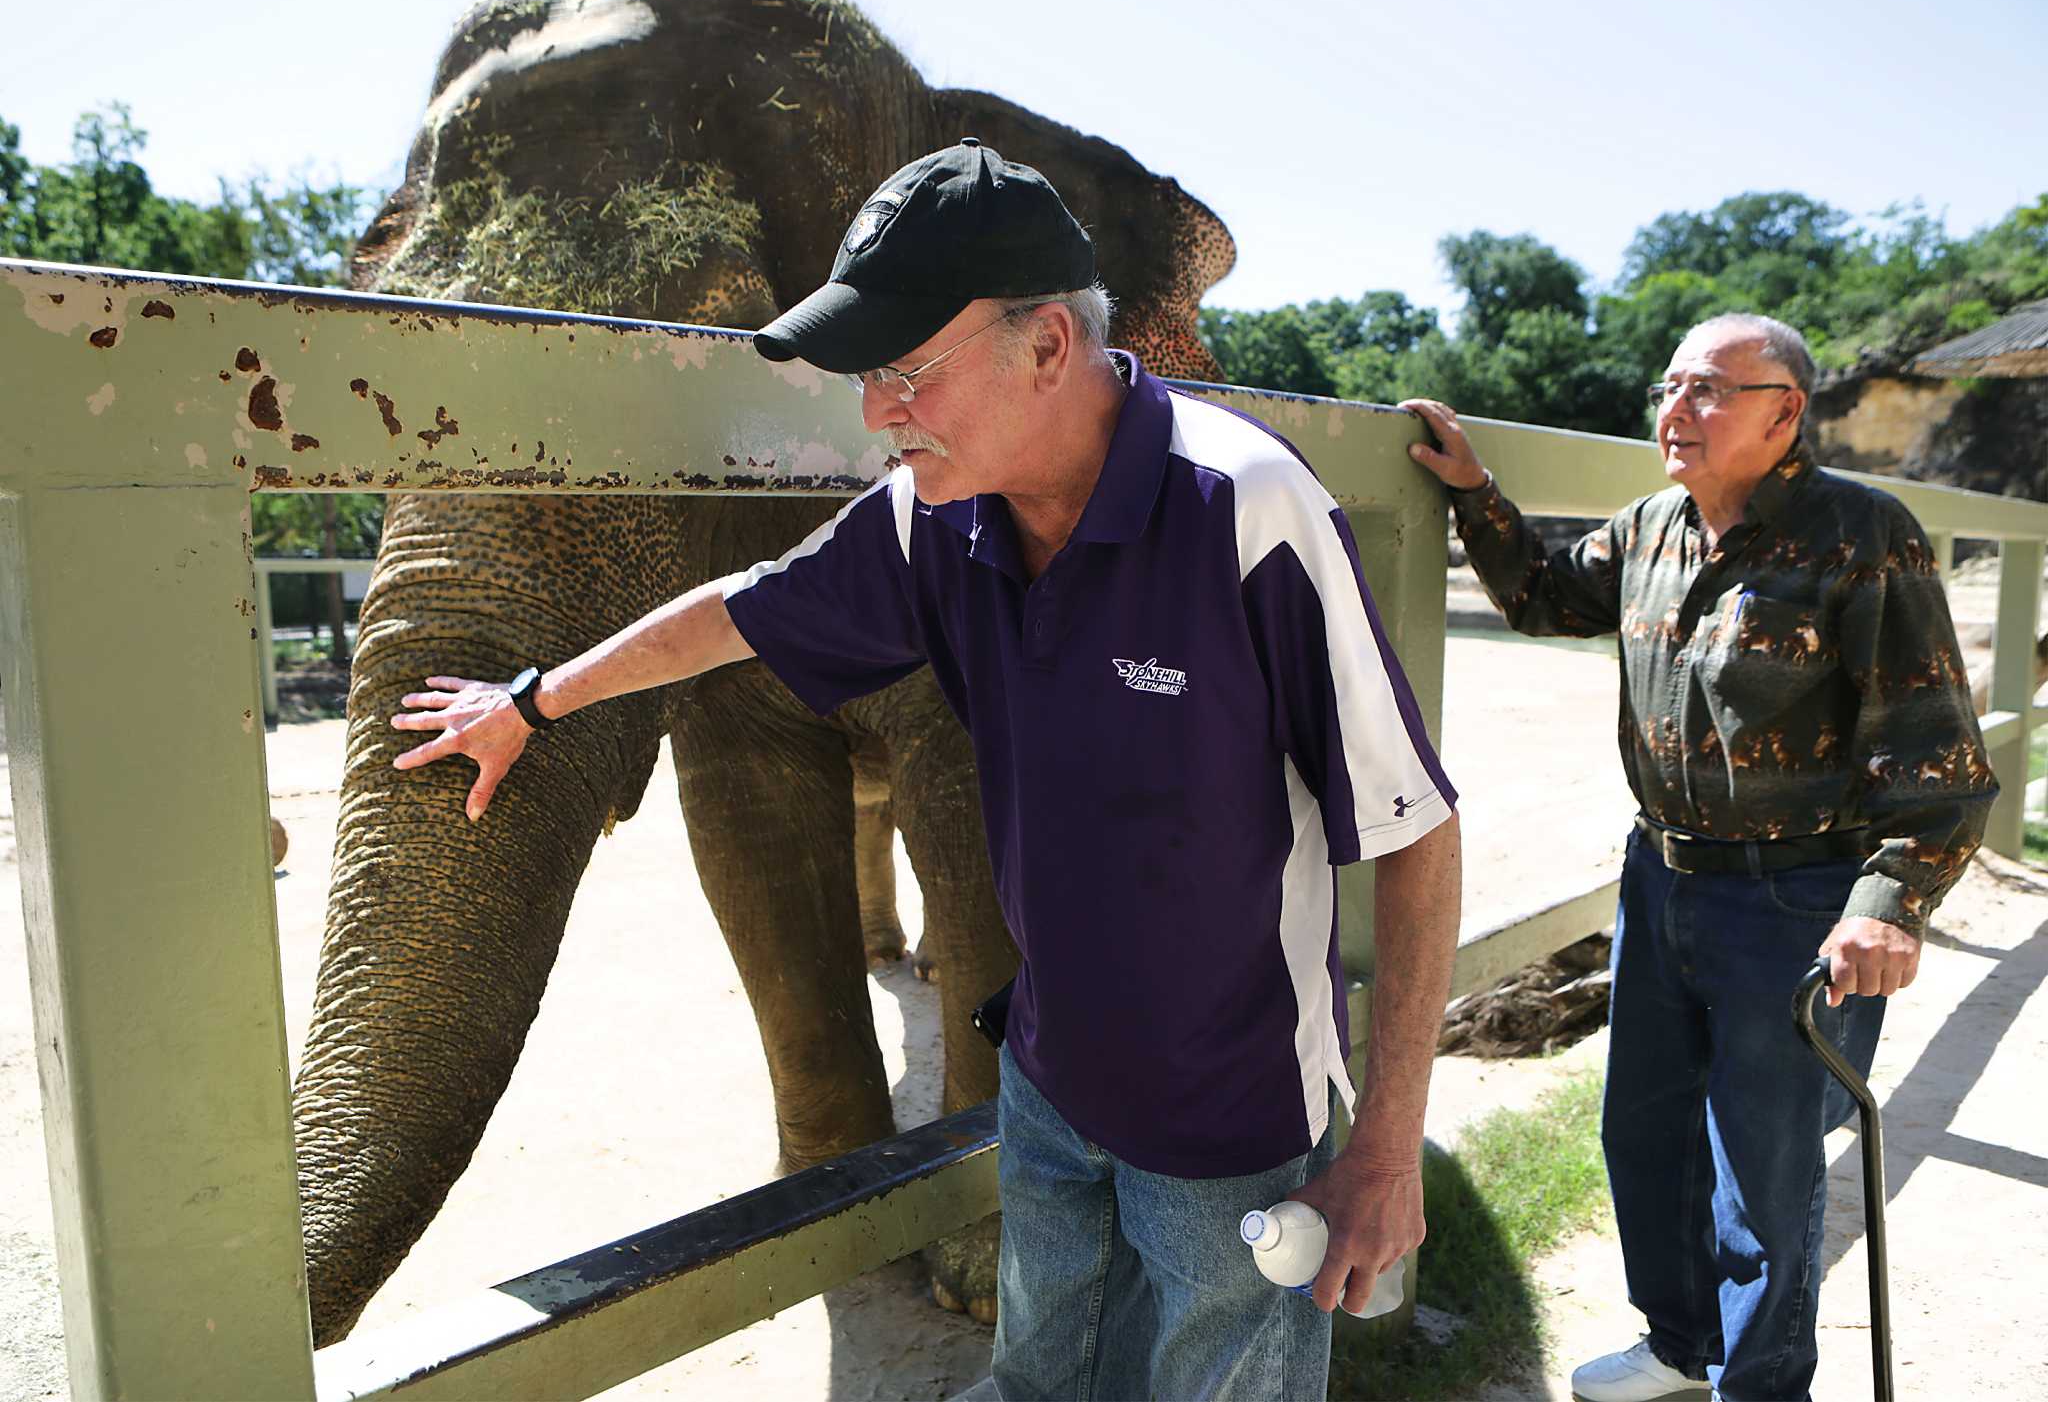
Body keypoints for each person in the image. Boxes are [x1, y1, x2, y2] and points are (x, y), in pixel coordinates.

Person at [388, 139, 1462, 1400]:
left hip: (1228, 1122)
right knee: (1035, 1376)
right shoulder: (934, 517)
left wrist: (1386, 1151)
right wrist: (534, 699)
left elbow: (1413, 830)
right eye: (866, 375)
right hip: (1051, 1079)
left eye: (905, 372)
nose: (873, 412)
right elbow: (740, 608)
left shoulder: (1247, 509)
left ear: (1047, 345)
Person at [1402, 313, 1994, 1402]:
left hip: (1798, 897)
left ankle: (1759, 1385)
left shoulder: (1862, 534)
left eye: (1710, 391)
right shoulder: (1648, 527)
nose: (1675, 412)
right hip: (1660, 877)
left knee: (1759, 1169)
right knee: (1643, 1131)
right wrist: (1475, 490)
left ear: (1782, 413)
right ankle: (1677, 1343)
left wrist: (1889, 902)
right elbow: (1540, 592)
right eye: (1669, 385)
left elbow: (1935, 752)